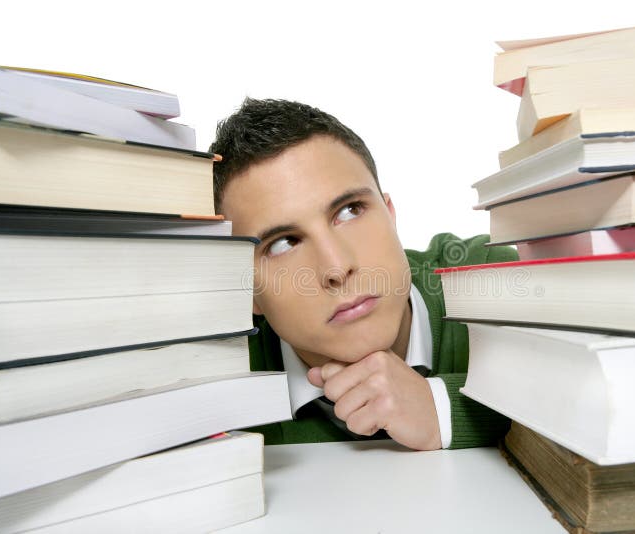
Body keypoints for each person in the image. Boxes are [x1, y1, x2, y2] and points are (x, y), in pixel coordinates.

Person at [210, 98, 516, 451]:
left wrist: (441, 407)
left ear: (390, 215)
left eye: (350, 211)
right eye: (283, 244)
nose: (337, 267)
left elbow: (584, 399)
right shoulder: (217, 373)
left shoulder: (485, 276)